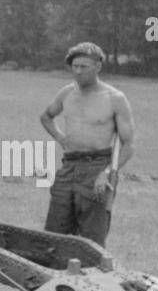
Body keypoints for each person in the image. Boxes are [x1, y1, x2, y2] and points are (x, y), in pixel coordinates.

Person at [40, 42, 134, 245]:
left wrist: (107, 173)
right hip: (69, 166)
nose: (78, 71)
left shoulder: (115, 98)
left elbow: (128, 146)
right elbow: (46, 116)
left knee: (92, 241)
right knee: (53, 236)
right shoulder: (66, 93)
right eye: (74, 67)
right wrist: (60, 137)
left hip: (98, 169)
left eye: (84, 66)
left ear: (98, 66)